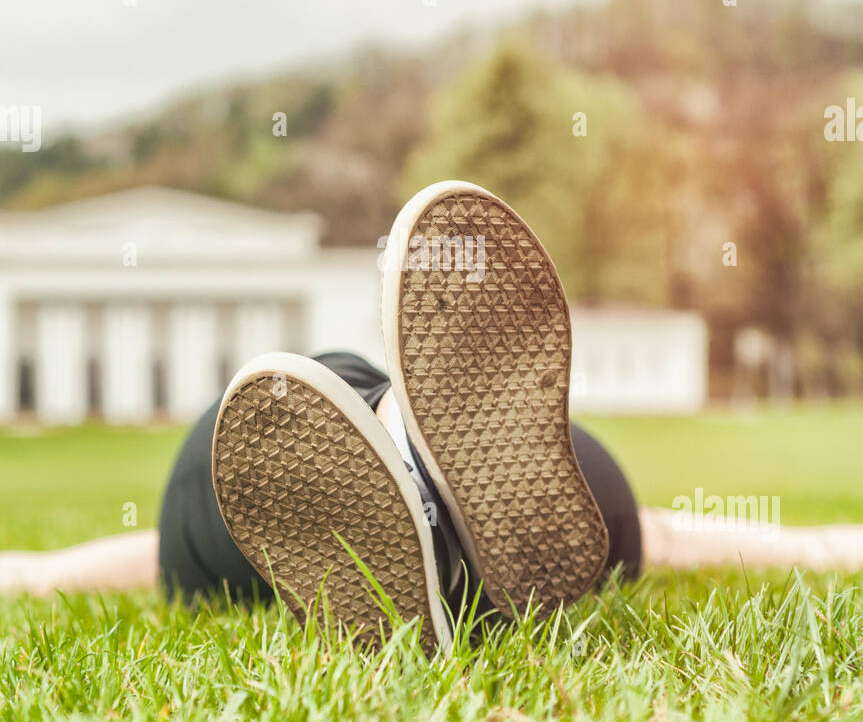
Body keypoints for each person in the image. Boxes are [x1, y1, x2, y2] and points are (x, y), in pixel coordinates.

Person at [2, 181, 858, 636]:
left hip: (219, 542)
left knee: (268, 440)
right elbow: (669, 537)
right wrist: (816, 547)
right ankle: (399, 451)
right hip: (562, 511)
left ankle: (397, 459)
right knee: (630, 530)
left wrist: (36, 574)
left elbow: (148, 556)